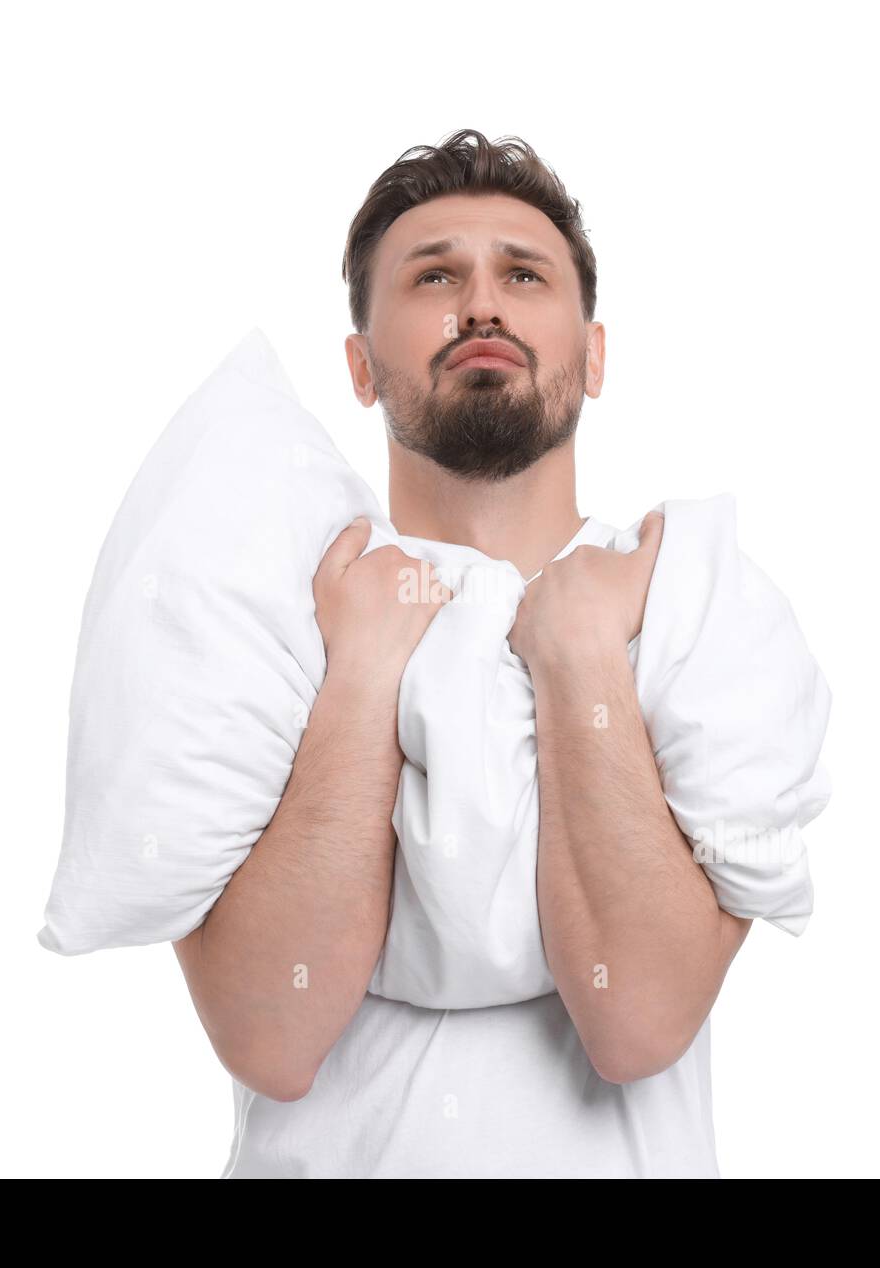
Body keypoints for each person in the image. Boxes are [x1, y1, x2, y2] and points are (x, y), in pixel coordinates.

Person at [172, 129, 758, 1178]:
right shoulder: (264, 613)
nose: (480, 303)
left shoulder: (691, 601)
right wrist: (362, 672)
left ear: (595, 353)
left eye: (522, 275)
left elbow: (638, 1020)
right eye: (435, 274)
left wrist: (576, 646)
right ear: (358, 365)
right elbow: (271, 1033)